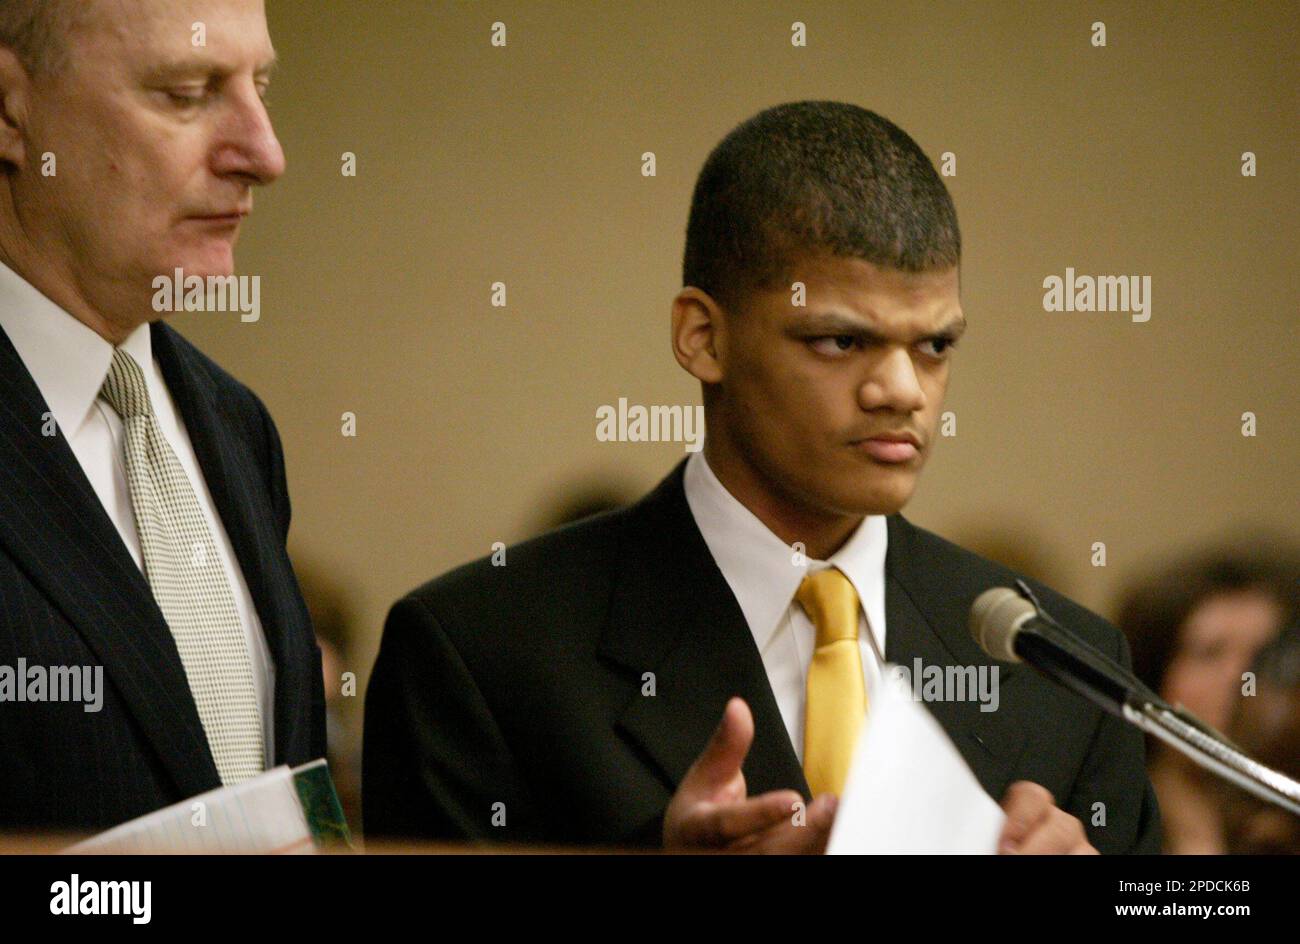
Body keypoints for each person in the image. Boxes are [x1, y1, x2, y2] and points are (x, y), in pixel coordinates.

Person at [364, 101, 1160, 853]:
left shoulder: (1068, 671)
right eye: (841, 342)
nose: (904, 392)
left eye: (935, 347)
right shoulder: (481, 652)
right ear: (704, 338)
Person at [0, 0, 324, 832]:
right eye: (186, 92)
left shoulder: (234, 423)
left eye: (262, 86)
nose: (266, 154)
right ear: (10, 110)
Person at [1118, 546, 1299, 854]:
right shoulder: (1107, 825)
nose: (1242, 676)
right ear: (1152, 673)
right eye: (1210, 653)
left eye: (1262, 654)